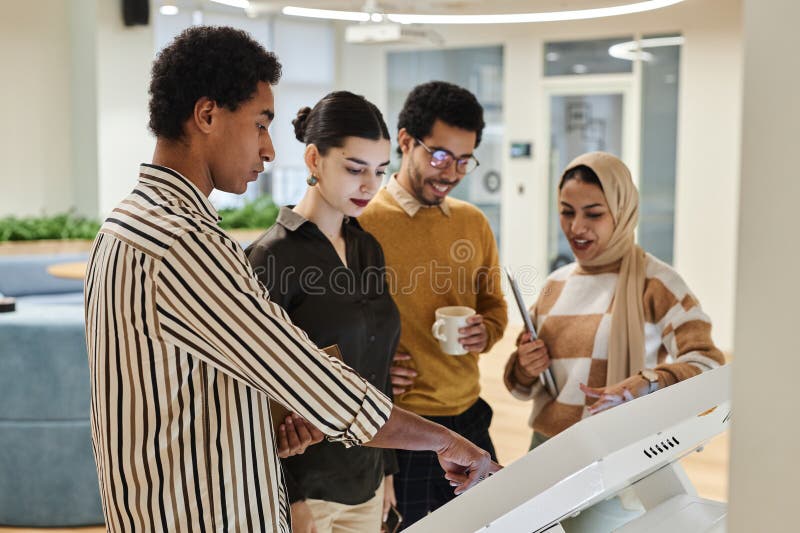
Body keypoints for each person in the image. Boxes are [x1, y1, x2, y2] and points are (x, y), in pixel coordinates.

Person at [84, 26, 498, 533]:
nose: (268, 149)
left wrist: (273, 419)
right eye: (260, 124)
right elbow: (321, 387)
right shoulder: (180, 242)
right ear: (207, 115)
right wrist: (446, 440)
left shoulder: (126, 225)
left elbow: (189, 390)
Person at [503, 151, 725, 531]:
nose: (576, 227)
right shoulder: (555, 285)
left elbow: (709, 365)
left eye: (593, 213)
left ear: (622, 211)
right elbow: (524, 389)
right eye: (566, 211)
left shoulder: (656, 283)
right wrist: (524, 367)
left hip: (618, 461)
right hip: (547, 453)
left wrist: (647, 381)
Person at [245, 91, 400, 533]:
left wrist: (386, 468)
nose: (370, 186)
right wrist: (290, 501)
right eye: (355, 169)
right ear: (314, 159)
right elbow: (254, 394)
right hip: (307, 495)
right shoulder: (270, 256)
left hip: (367, 483)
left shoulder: (368, 247)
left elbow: (377, 369)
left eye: (380, 172)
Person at [358, 80, 508, 528]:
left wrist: (488, 330)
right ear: (406, 141)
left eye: (465, 160)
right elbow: (340, 328)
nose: (452, 172)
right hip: (404, 426)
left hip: (471, 414)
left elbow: (494, 305)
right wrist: (375, 369)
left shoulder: (473, 221)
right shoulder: (363, 223)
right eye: (441, 156)